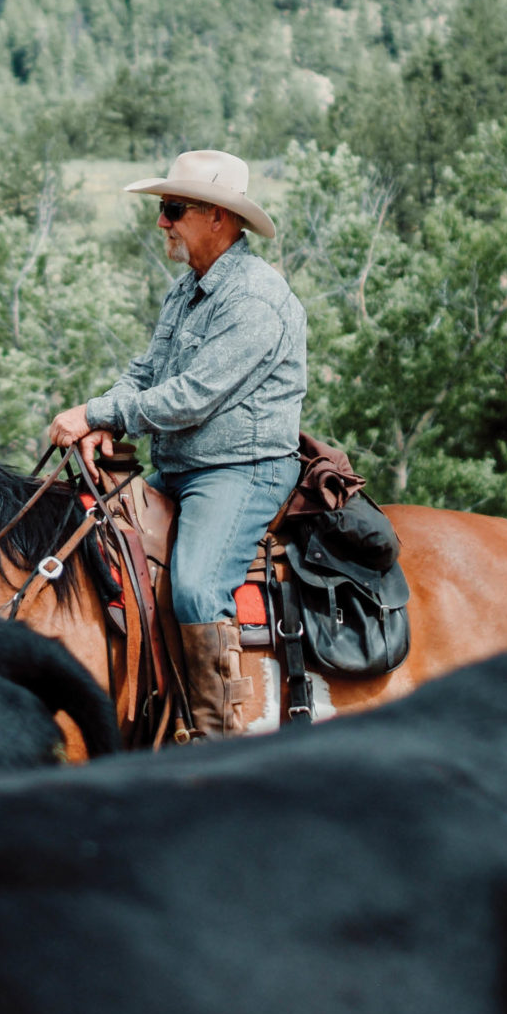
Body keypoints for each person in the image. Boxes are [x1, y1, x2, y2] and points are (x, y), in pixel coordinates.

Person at [47, 150, 306, 737]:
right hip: (182, 466)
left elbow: (192, 396)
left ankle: (217, 737)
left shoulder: (256, 299)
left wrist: (95, 411)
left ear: (218, 217)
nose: (161, 222)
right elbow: (146, 372)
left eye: (172, 209)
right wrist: (105, 421)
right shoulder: (188, 290)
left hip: (242, 470)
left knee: (195, 587)